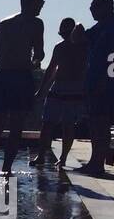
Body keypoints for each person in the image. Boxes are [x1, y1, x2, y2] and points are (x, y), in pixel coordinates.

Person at [0, 0, 45, 174]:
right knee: (16, 126)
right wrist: (34, 62)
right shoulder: (36, 24)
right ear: (31, 3)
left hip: (3, 75)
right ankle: (6, 168)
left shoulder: (3, 24)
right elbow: (39, 52)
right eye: (40, 3)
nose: (42, 6)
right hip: (20, 76)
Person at [81, 0, 114, 177]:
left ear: (106, 7)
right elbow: (79, 38)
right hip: (94, 82)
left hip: (105, 84)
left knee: (101, 123)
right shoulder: (98, 28)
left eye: (94, 6)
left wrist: (109, 81)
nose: (91, 10)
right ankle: (95, 160)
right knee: (94, 123)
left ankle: (98, 162)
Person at [31, 19, 87, 169]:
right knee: (47, 123)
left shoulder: (83, 47)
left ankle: (63, 158)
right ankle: (41, 155)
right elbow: (51, 69)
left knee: (67, 125)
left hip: (74, 88)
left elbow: (52, 69)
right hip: (58, 87)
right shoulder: (60, 47)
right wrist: (41, 90)